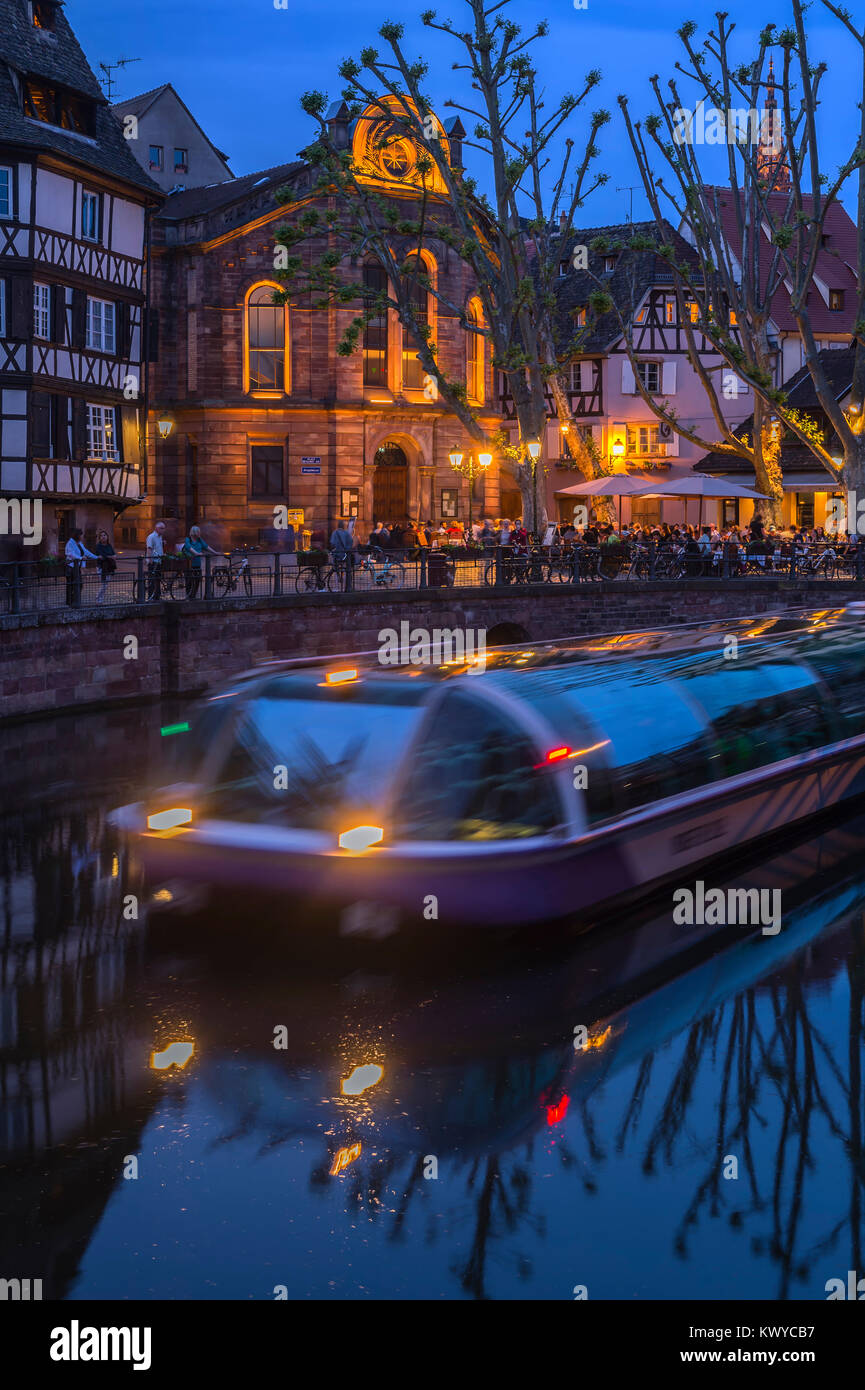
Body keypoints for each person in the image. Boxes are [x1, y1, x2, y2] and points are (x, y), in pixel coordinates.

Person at [181, 525, 219, 597]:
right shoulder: (187, 539)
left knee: (197, 580)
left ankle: (194, 595)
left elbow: (206, 546)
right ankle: (189, 595)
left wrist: (215, 552)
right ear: (195, 532)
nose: (200, 533)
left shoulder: (199, 540)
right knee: (189, 581)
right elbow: (189, 547)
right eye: (198, 532)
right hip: (189, 564)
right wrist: (196, 553)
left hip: (197, 564)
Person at [65, 528, 97, 605]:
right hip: (71, 567)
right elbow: (70, 554)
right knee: (72, 585)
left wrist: (96, 557)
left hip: (77, 567)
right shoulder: (70, 543)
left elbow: (86, 552)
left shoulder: (79, 543)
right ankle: (70, 601)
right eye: (81, 535)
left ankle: (74, 600)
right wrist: (80, 558)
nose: (82, 536)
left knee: (79, 584)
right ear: (77, 535)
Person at [330, 519, 355, 591]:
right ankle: (345, 587)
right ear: (345, 526)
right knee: (346, 570)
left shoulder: (334, 533)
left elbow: (332, 543)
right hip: (345, 555)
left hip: (336, 554)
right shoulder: (347, 533)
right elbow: (351, 543)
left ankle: (337, 587)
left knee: (336, 570)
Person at [93, 529, 117, 603]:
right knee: (104, 584)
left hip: (109, 567)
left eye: (104, 535)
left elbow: (114, 554)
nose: (103, 537)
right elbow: (102, 556)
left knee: (106, 584)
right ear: (99, 538)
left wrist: (111, 556)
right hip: (101, 567)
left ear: (107, 537)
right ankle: (98, 598)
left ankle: (100, 599)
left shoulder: (109, 545)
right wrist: (110, 556)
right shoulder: (98, 546)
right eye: (101, 536)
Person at [145, 521, 166, 601]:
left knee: (157, 579)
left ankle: (157, 596)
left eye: (164, 528)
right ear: (156, 528)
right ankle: (151, 597)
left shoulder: (160, 537)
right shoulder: (151, 537)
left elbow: (157, 547)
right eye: (161, 528)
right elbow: (149, 548)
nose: (163, 530)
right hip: (153, 561)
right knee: (152, 580)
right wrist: (150, 560)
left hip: (158, 561)